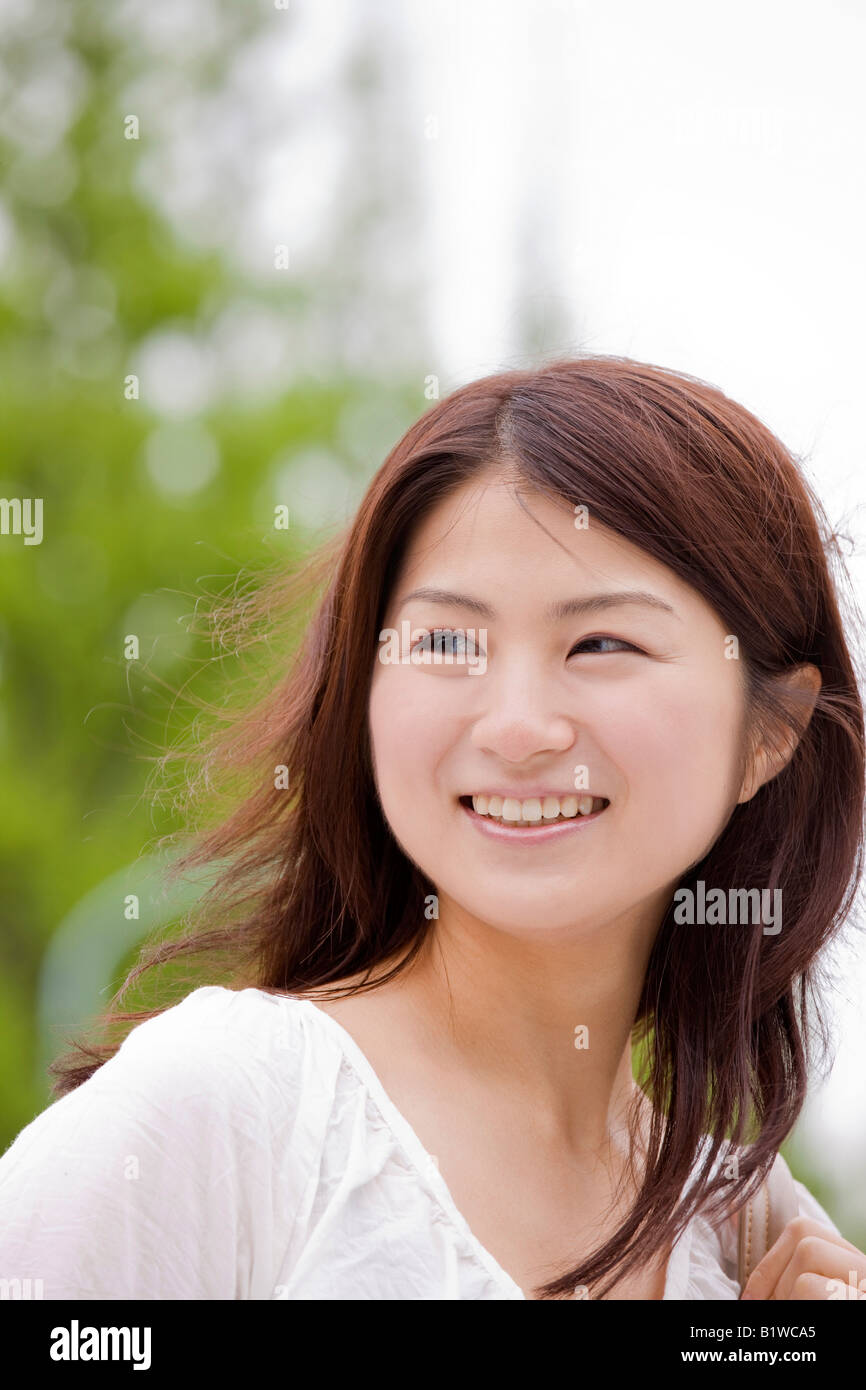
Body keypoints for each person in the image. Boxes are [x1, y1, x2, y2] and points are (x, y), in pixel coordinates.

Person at [2, 355, 865, 1301]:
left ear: (769, 731)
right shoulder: (228, 1112)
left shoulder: (745, 1231)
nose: (518, 727)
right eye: (447, 643)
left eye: (602, 643)